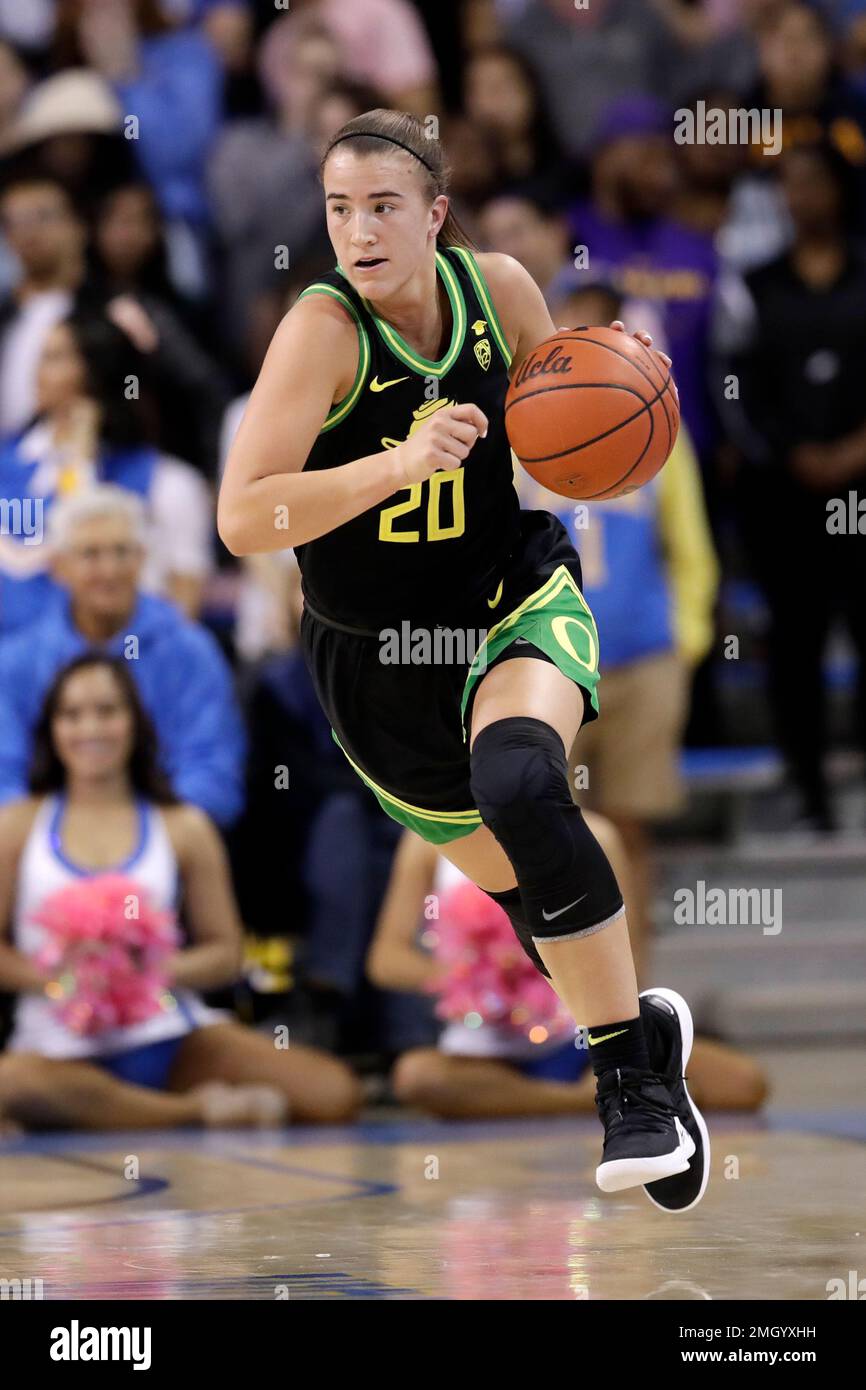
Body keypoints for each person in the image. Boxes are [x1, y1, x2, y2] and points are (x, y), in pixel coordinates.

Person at [218, 107, 710, 1211]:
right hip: (376, 666)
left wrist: (617, 416)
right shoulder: (321, 332)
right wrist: (390, 465)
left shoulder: (498, 289)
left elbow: (566, 424)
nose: (359, 229)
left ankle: (626, 1085)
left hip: (507, 598)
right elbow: (244, 518)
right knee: (534, 899)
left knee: (524, 779)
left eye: (384, 205)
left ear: (435, 213)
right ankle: (641, 1038)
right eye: (339, 208)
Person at [0, 654, 361, 1130]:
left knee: (335, 1092)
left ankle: (110, 1113)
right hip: (54, 1048)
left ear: (134, 722)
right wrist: (63, 980)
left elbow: (226, 952)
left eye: (107, 711)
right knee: (13, 1083)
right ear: (51, 728)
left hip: (170, 1040)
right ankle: (193, 1114)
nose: (91, 728)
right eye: (72, 714)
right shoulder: (19, 824)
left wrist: (148, 973)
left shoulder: (184, 826)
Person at [370, 826, 768, 1119]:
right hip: (484, 1054)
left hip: (584, 1041)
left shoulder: (596, 835)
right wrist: (472, 978)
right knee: (417, 1077)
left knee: (740, 1083)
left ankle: (557, 1093)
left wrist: (553, 971)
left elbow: (628, 963)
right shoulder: (427, 843)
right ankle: (593, 1099)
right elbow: (386, 960)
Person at [720, 140, 866, 831]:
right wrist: (788, 452)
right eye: (790, 184)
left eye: (815, 182)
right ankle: (809, 788)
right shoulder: (754, 285)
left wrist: (854, 449)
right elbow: (734, 390)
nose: (802, 197)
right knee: (796, 640)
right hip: (784, 496)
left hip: (861, 488)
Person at [0, 485, 245, 829]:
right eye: (90, 554)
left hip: (164, 850)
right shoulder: (15, 663)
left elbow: (213, 775)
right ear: (59, 567)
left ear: (142, 559)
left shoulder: (190, 652)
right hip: (44, 858)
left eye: (121, 552)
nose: (109, 570)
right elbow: (5, 779)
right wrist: (66, 843)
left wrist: (136, 842)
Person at [0, 311, 214, 631]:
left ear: (97, 372)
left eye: (55, 358)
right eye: (42, 357)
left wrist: (81, 466)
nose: (38, 372)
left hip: (120, 668)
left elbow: (183, 612)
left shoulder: (170, 485)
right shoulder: (7, 466)